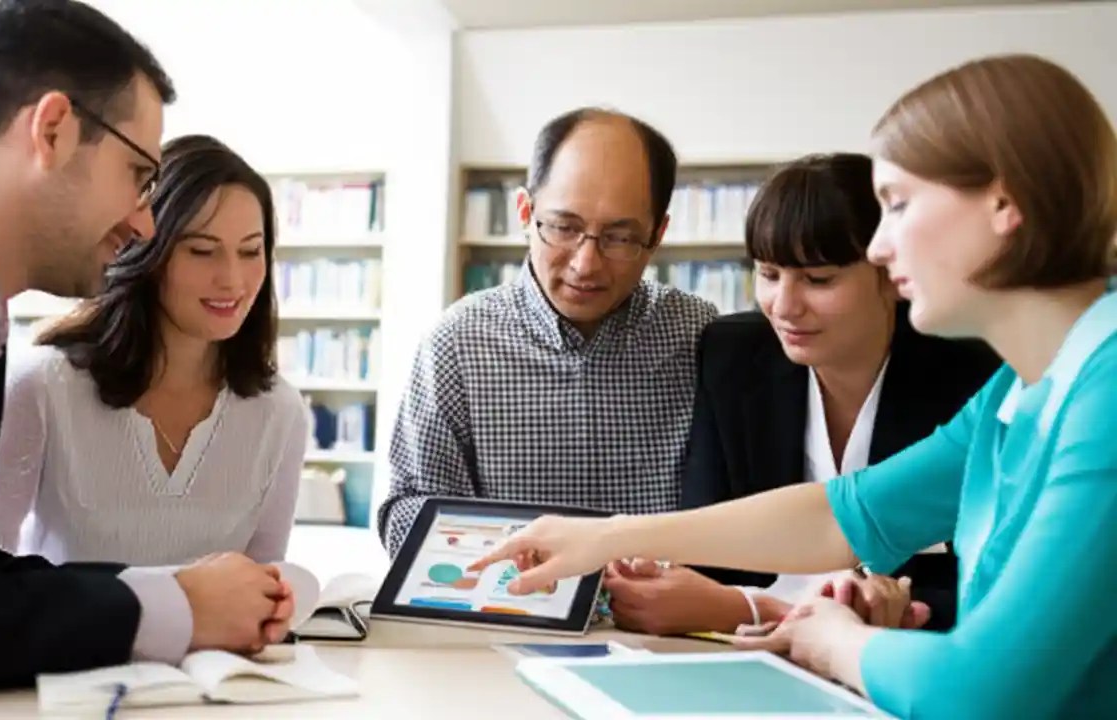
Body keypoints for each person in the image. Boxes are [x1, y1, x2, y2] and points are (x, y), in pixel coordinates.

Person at [471, 53, 1117, 719]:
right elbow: (848, 514)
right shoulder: (1021, 387)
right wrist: (606, 537)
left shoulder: (1106, 394)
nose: (881, 246)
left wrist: (839, 643)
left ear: (1003, 203)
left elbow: (980, 689)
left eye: (897, 205)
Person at [0, 2, 292, 713]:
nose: (144, 222)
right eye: (138, 174)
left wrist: (169, 596)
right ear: (51, 130)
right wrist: (170, 608)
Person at [606, 153, 1000, 637]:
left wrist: (747, 607)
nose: (785, 307)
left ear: (891, 273)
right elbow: (708, 556)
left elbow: (984, 590)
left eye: (818, 280)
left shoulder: (975, 373)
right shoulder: (732, 355)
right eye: (769, 274)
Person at [377, 107, 718, 556]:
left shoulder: (700, 336)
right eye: (563, 227)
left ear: (657, 234)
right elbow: (408, 512)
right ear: (525, 211)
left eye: (619, 237)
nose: (585, 264)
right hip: (505, 609)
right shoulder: (457, 344)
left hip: (664, 621)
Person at [0, 134, 308, 567]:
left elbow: (260, 582)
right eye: (202, 251)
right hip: (69, 637)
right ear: (147, 253)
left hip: (214, 640)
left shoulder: (280, 412)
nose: (233, 280)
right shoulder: (43, 388)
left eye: (250, 251)